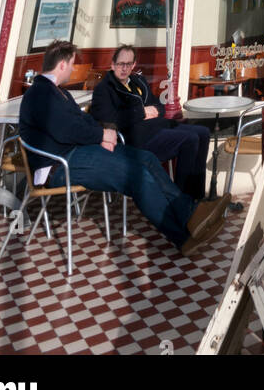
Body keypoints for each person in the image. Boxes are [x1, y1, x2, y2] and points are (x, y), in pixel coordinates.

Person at [19, 40, 228, 255]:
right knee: (137, 176)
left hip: (79, 152)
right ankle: (182, 238)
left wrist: (104, 136)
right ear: (62, 64)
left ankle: (190, 214)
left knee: (147, 159)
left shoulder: (59, 92)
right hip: (59, 164)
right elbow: (66, 130)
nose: (73, 69)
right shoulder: (40, 94)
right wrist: (102, 134)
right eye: (71, 64)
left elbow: (83, 120)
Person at [90, 46, 210, 199]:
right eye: (121, 64)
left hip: (157, 128)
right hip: (136, 139)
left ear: (134, 65)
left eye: (128, 64)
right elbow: (107, 120)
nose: (124, 68)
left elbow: (159, 107)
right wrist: (142, 113)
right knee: (190, 139)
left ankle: (197, 195)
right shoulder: (105, 89)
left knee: (203, 133)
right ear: (113, 64)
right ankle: (182, 199)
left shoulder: (138, 82)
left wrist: (153, 111)